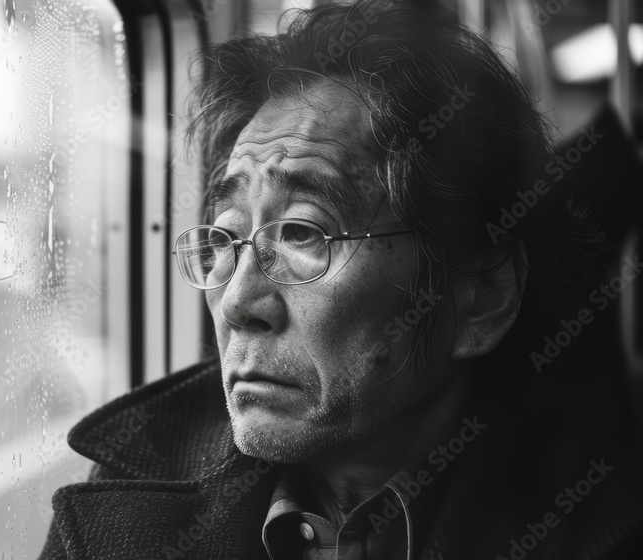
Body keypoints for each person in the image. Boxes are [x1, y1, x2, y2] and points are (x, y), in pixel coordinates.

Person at [38, 1, 643, 558]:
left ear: (481, 296)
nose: (238, 303)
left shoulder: (600, 528)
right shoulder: (132, 500)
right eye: (225, 237)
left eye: (303, 234)